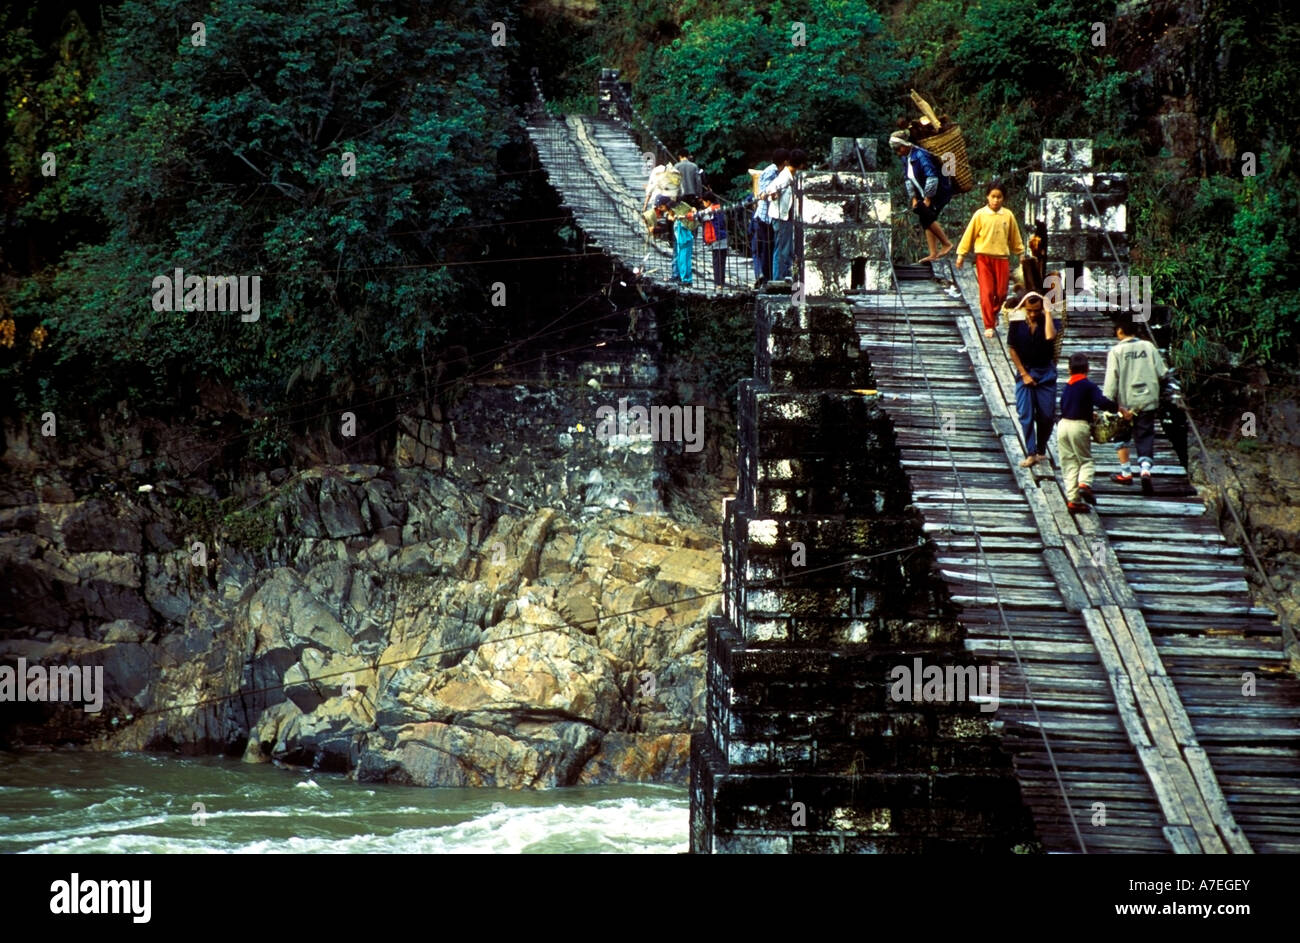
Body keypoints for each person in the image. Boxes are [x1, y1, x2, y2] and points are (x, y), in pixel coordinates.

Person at [1103, 315, 1169, 493]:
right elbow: (1162, 372)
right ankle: (1145, 470)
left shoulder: (1116, 352)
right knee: (1145, 435)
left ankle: (1126, 473)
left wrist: (1107, 404)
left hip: (1125, 404)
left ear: (1120, 331)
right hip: (1147, 401)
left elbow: (1111, 380)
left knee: (1121, 435)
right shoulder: (1148, 346)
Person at [1058, 352, 1130, 513]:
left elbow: (1064, 406)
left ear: (1069, 370)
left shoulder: (1067, 386)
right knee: (1085, 460)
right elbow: (1101, 402)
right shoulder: (1089, 386)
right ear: (1088, 369)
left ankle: (1073, 500)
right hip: (1079, 426)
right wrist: (1119, 408)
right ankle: (1084, 484)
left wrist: (1087, 412)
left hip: (1063, 425)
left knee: (1069, 462)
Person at [956, 182, 1029, 337]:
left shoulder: (1008, 215)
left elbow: (1015, 237)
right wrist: (961, 254)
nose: (996, 200)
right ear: (987, 197)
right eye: (993, 197)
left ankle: (994, 312)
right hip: (984, 258)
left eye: (999, 197)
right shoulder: (980, 215)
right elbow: (968, 235)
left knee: (1002, 292)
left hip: (1002, 258)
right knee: (987, 292)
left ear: (1003, 198)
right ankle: (988, 324)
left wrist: (1020, 253)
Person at [1005, 290, 1058, 467]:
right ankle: (1031, 452)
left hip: (1045, 373)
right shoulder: (1017, 323)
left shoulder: (1048, 321)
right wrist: (1024, 374)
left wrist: (1048, 312)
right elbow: (1012, 349)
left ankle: (1041, 448)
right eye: (1030, 310)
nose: (1033, 314)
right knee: (1025, 414)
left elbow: (1050, 336)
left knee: (1047, 416)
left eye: (1037, 310)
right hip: (1025, 372)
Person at [889, 132, 953, 263]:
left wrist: (928, 198)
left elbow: (932, 176)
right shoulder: (905, 158)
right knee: (925, 218)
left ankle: (946, 244)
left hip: (938, 191)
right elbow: (908, 179)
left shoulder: (921, 155)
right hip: (923, 193)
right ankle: (933, 253)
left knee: (928, 217)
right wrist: (913, 198)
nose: (898, 152)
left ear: (905, 145)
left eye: (898, 148)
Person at [764, 148, 804, 282]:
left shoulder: (790, 175)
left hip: (784, 217)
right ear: (801, 165)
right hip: (781, 218)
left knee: (786, 250)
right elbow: (770, 190)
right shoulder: (785, 176)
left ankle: (788, 277)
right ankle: (778, 279)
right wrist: (774, 196)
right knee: (782, 250)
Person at [748, 149, 784, 289]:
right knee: (765, 249)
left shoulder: (774, 171)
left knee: (766, 249)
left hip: (765, 216)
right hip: (765, 217)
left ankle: (765, 277)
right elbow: (766, 192)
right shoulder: (772, 172)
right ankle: (767, 278)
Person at [698, 191, 728, 288]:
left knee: (716, 261)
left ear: (708, 201)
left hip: (716, 238)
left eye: (704, 202)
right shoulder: (719, 208)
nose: (703, 204)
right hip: (723, 237)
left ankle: (718, 283)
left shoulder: (711, 210)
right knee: (722, 262)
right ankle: (721, 282)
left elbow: (700, 217)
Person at [667, 200, 697, 286]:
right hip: (681, 243)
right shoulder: (677, 220)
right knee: (681, 260)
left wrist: (683, 217)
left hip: (686, 241)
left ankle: (687, 280)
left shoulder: (682, 219)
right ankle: (683, 277)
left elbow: (689, 223)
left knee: (685, 261)